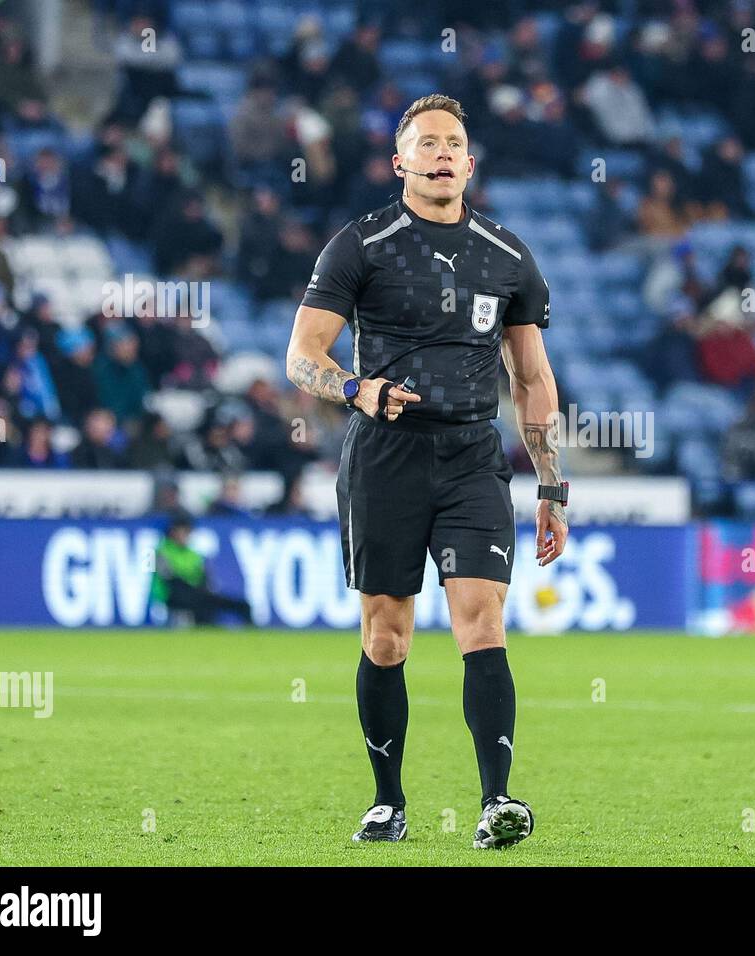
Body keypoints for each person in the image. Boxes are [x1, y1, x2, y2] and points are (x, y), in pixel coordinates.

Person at [285, 94, 566, 850]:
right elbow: (303, 352)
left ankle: (498, 801)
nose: (442, 154)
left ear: (470, 163)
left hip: (474, 455)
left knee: (482, 619)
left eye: (454, 144)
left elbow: (532, 380)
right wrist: (355, 388)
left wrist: (552, 484)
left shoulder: (507, 256)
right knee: (387, 637)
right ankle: (387, 802)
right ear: (399, 161)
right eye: (427, 143)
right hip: (387, 455)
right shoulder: (361, 244)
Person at [151, 511, 253, 626]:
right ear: (172, 532)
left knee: (242, 605)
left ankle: (252, 635)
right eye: (182, 531)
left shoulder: (194, 554)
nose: (186, 535)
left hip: (196, 595)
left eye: (188, 532)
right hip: (172, 597)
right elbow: (170, 581)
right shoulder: (157, 553)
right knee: (199, 600)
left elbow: (205, 578)